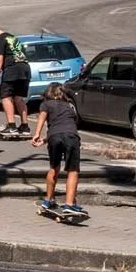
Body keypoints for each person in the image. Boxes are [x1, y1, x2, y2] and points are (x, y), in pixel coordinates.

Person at [34, 82, 83, 217]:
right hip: (72, 137)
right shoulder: (69, 107)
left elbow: (43, 119)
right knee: (72, 171)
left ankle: (48, 200)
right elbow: (66, 126)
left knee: (54, 168)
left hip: (54, 137)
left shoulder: (46, 104)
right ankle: (69, 204)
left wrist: (37, 135)